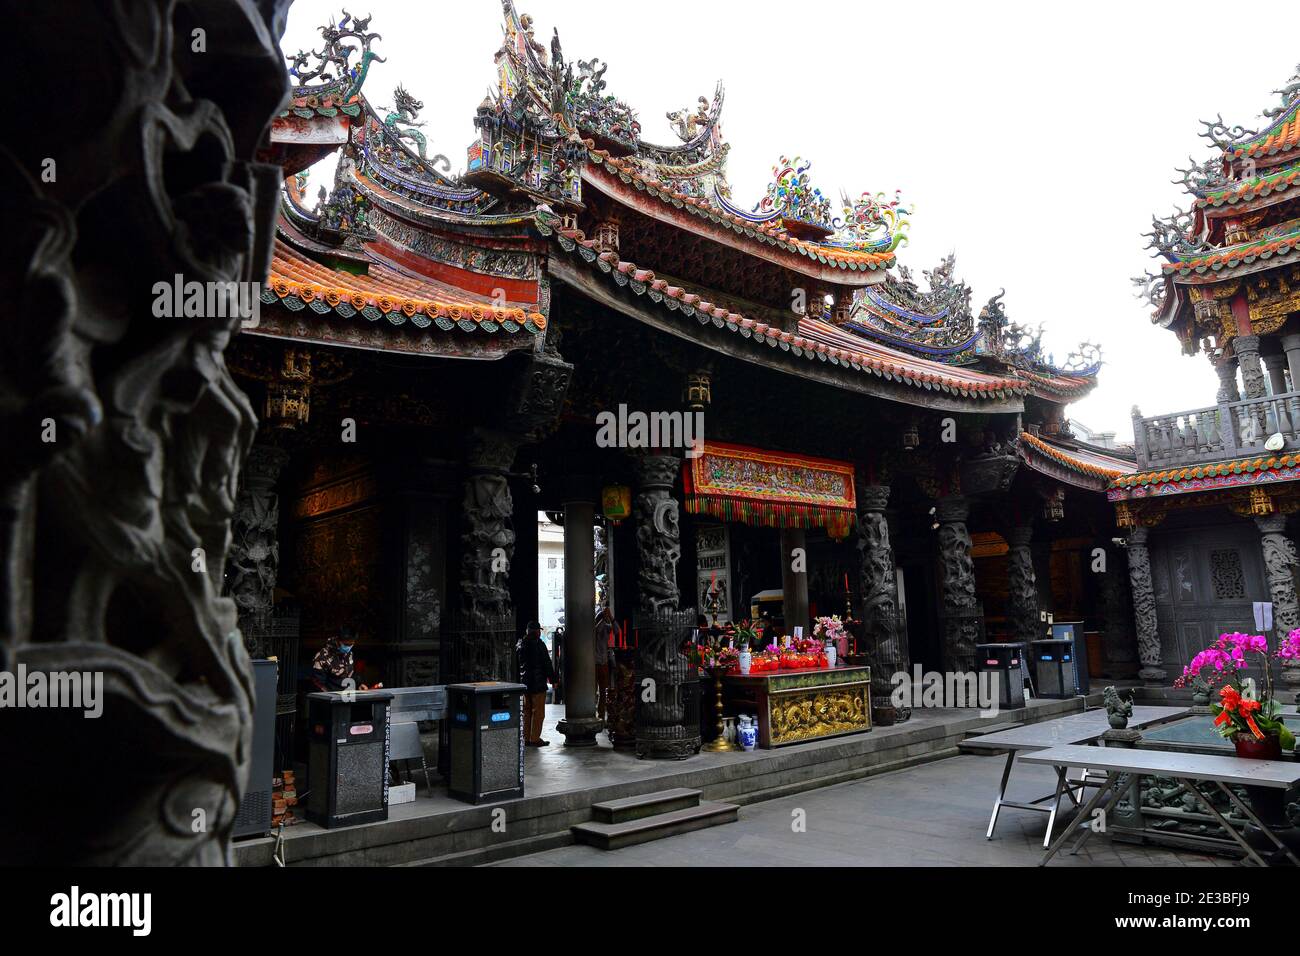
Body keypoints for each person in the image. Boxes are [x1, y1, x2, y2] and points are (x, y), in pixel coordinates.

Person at [311, 624, 381, 692]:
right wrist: (330, 696)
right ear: (338, 640)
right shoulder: (322, 657)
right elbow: (318, 683)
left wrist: (359, 684)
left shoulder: (349, 654)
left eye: (351, 644)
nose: (348, 647)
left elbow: (351, 673)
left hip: (349, 697)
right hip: (331, 699)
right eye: (346, 644)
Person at [519, 621, 555, 747]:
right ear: (536, 632)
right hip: (538, 683)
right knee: (538, 712)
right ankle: (534, 738)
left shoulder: (521, 644)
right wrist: (553, 679)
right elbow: (547, 663)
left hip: (525, 684)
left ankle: (526, 738)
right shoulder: (539, 644)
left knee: (526, 711)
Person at [594, 607, 621, 723]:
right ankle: (591, 714)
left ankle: (601, 715)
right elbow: (596, 630)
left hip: (603, 663)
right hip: (593, 664)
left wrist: (611, 618)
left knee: (603, 691)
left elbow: (617, 631)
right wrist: (603, 617)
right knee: (592, 691)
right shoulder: (595, 628)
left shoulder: (605, 627)